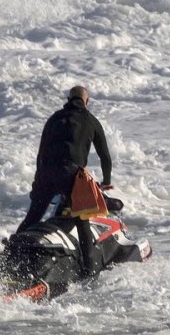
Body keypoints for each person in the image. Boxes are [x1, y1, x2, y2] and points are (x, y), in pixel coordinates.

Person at [16, 85, 114, 276]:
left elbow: (41, 152)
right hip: (70, 175)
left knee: (33, 217)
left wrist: (38, 181)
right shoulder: (91, 121)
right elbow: (105, 157)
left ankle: (11, 253)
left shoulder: (54, 118)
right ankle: (89, 271)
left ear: (69, 99)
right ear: (87, 101)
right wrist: (106, 180)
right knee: (82, 220)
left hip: (46, 172)